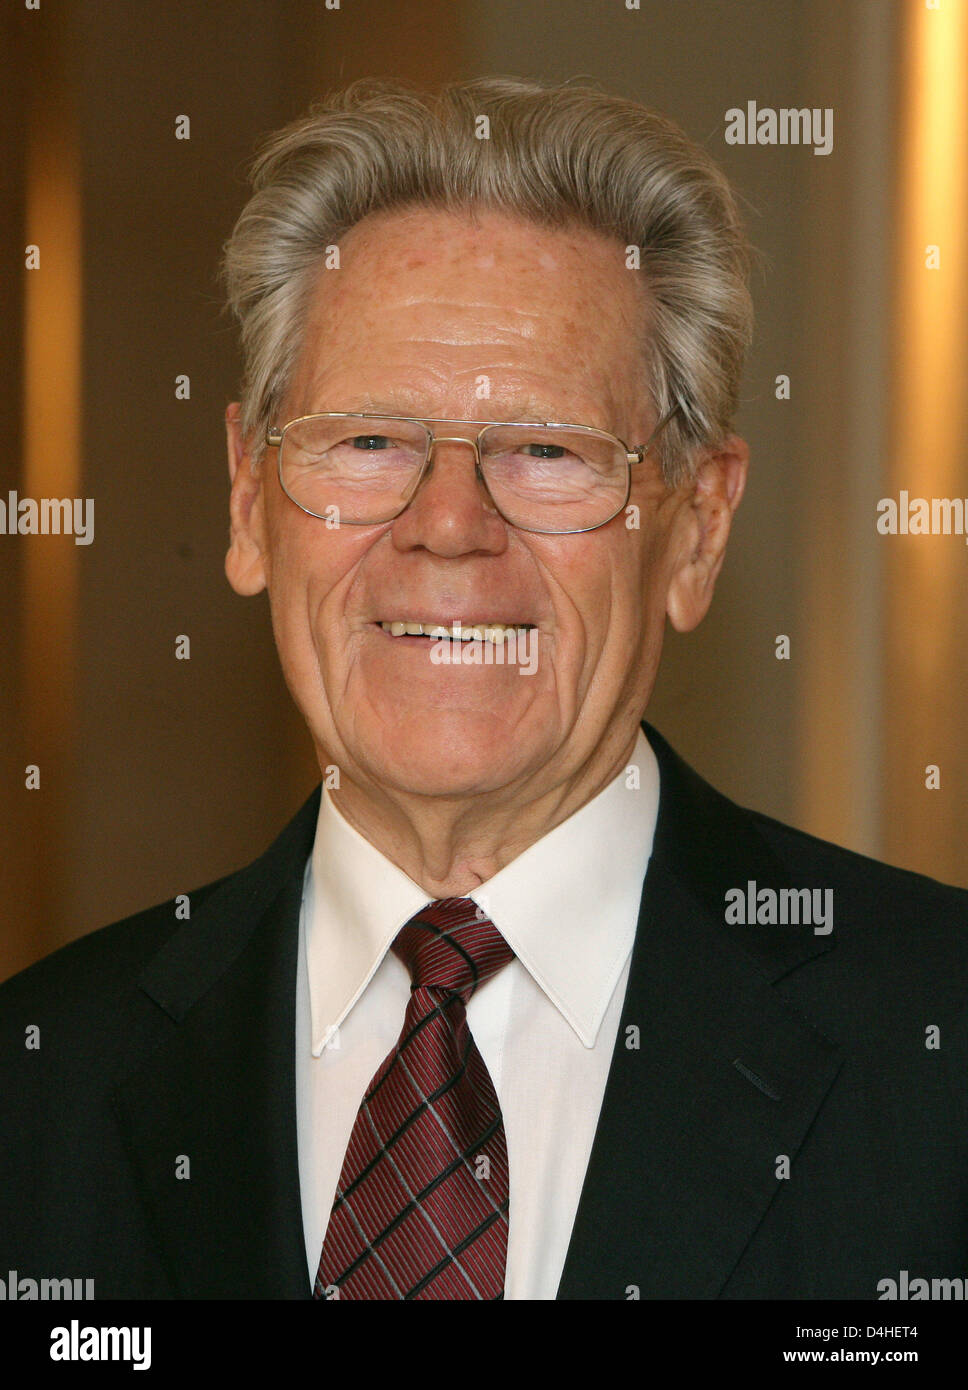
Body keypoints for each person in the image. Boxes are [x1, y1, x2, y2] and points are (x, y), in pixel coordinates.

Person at [1, 76, 966, 1302]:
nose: (447, 525)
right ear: (249, 500)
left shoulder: (939, 1055)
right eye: (367, 441)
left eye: (546, 451)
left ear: (697, 528)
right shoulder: (40, 1086)